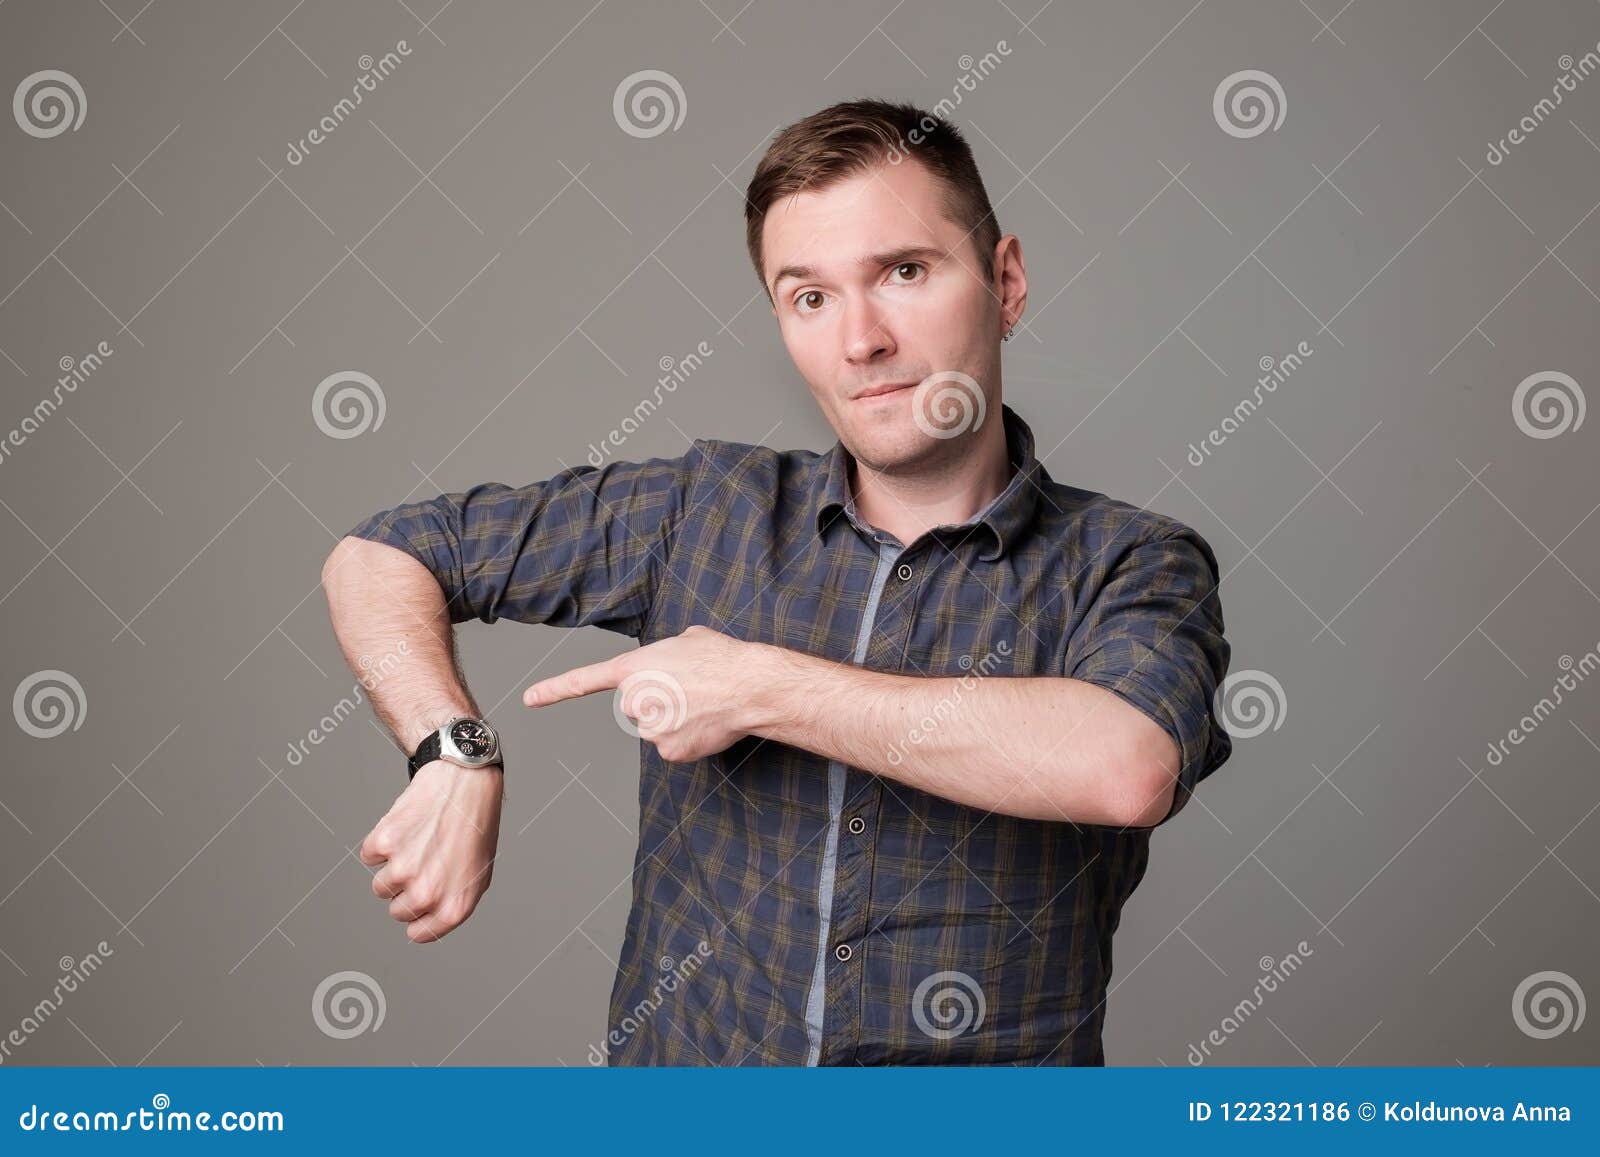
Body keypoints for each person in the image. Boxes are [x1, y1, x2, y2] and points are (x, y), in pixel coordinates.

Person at [320, 98, 1233, 1065]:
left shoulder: (1132, 560)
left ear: (1005, 282)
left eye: (905, 272)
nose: (860, 341)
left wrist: (759, 686)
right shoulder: (700, 511)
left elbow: (1126, 766)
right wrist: (452, 749)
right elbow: (380, 556)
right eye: (810, 297)